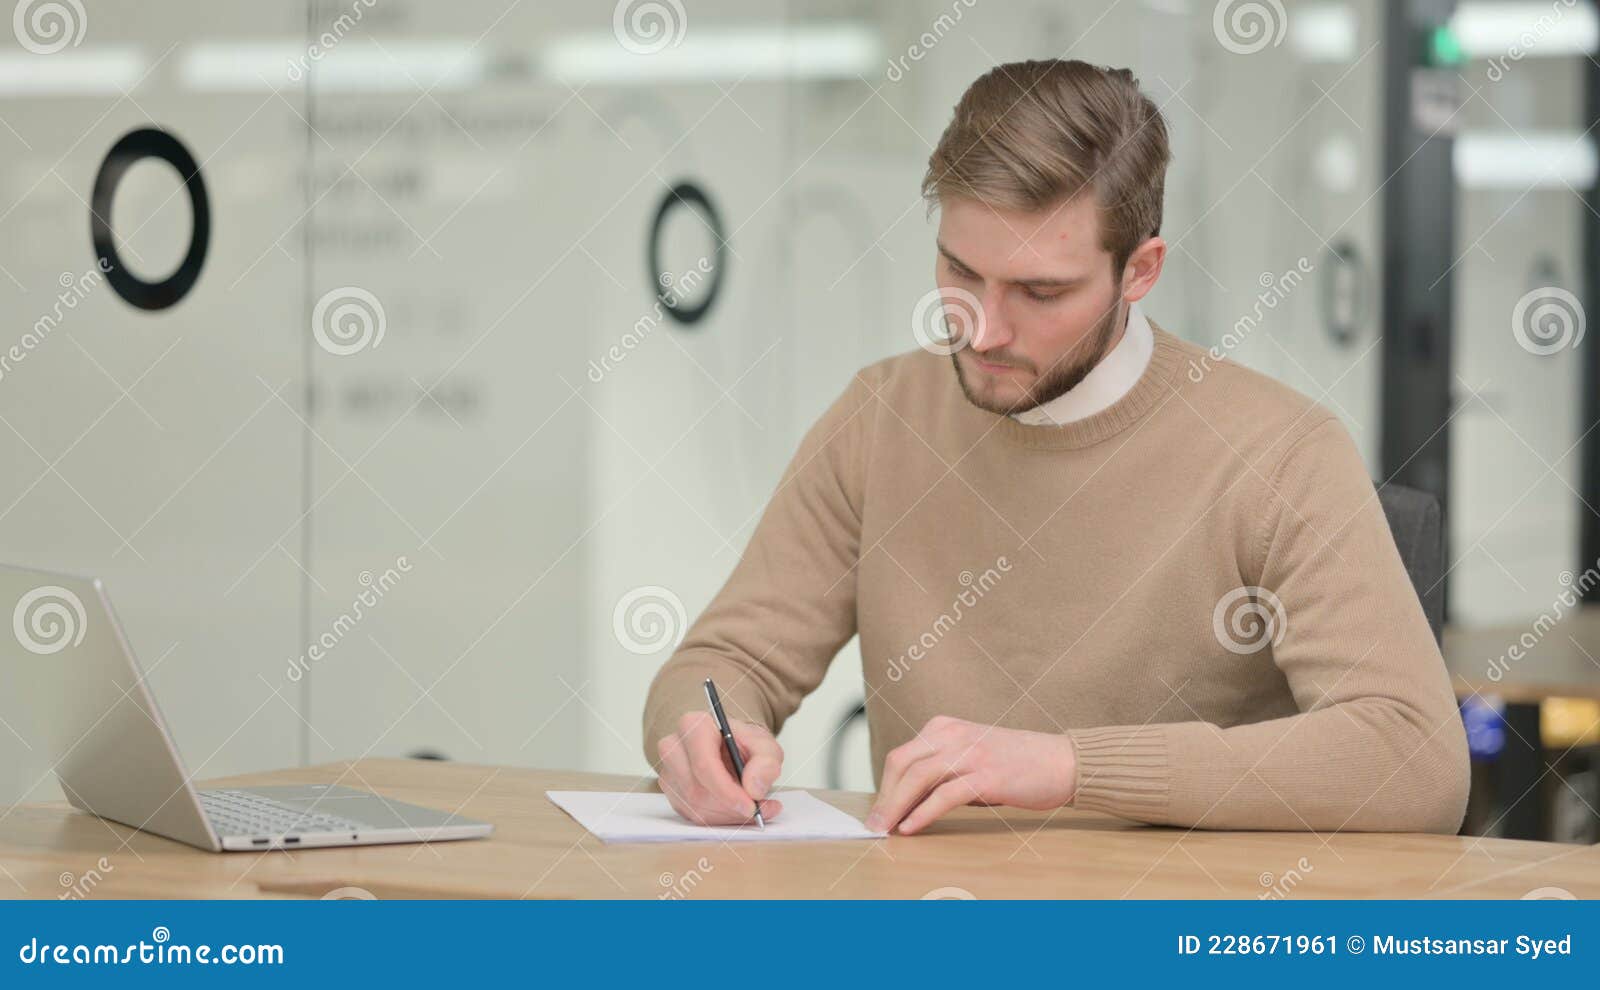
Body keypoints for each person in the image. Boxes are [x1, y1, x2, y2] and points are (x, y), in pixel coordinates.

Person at [642, 59, 1470, 836]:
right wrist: (709, 735)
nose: (983, 328)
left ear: (1139, 272)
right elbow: (725, 660)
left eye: (1041, 291)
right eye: (962, 272)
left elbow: (1412, 757)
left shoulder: (1279, 453)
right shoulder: (882, 418)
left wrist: (1074, 767)